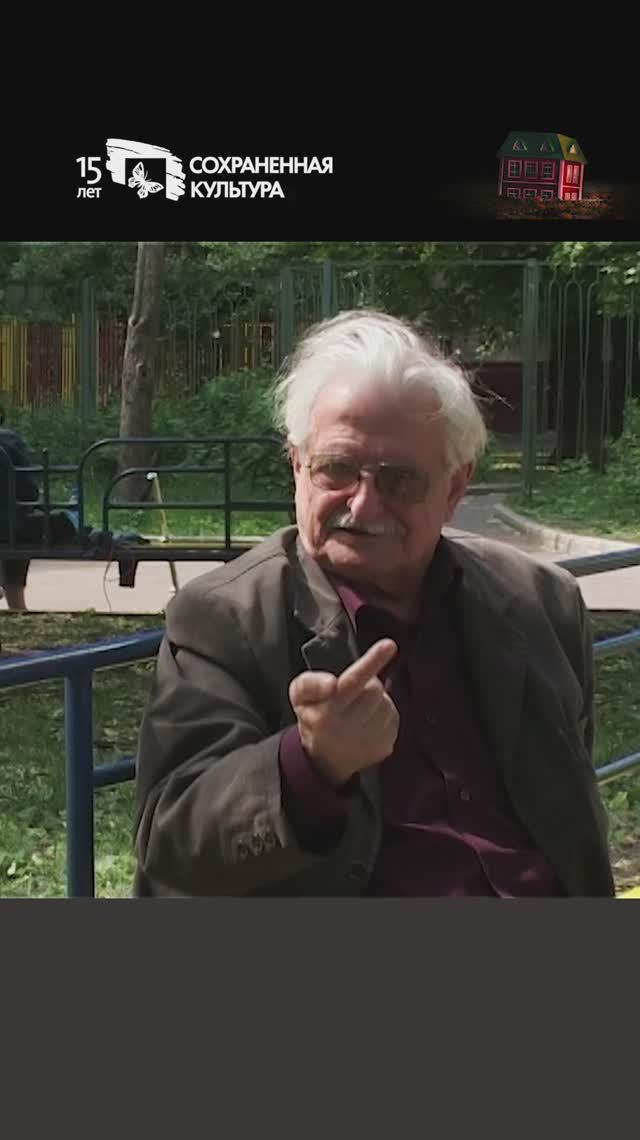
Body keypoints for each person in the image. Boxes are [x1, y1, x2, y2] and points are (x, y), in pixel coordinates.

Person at [133, 309, 615, 898]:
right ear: (297, 467)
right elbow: (171, 842)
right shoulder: (225, 617)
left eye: (399, 480)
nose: (363, 505)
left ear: (455, 488)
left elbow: (573, 819)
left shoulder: (542, 604)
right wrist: (311, 764)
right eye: (336, 469)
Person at [0, 407, 76, 610]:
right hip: (9, 527)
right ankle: (17, 606)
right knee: (26, 528)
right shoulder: (9, 440)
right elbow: (28, 492)